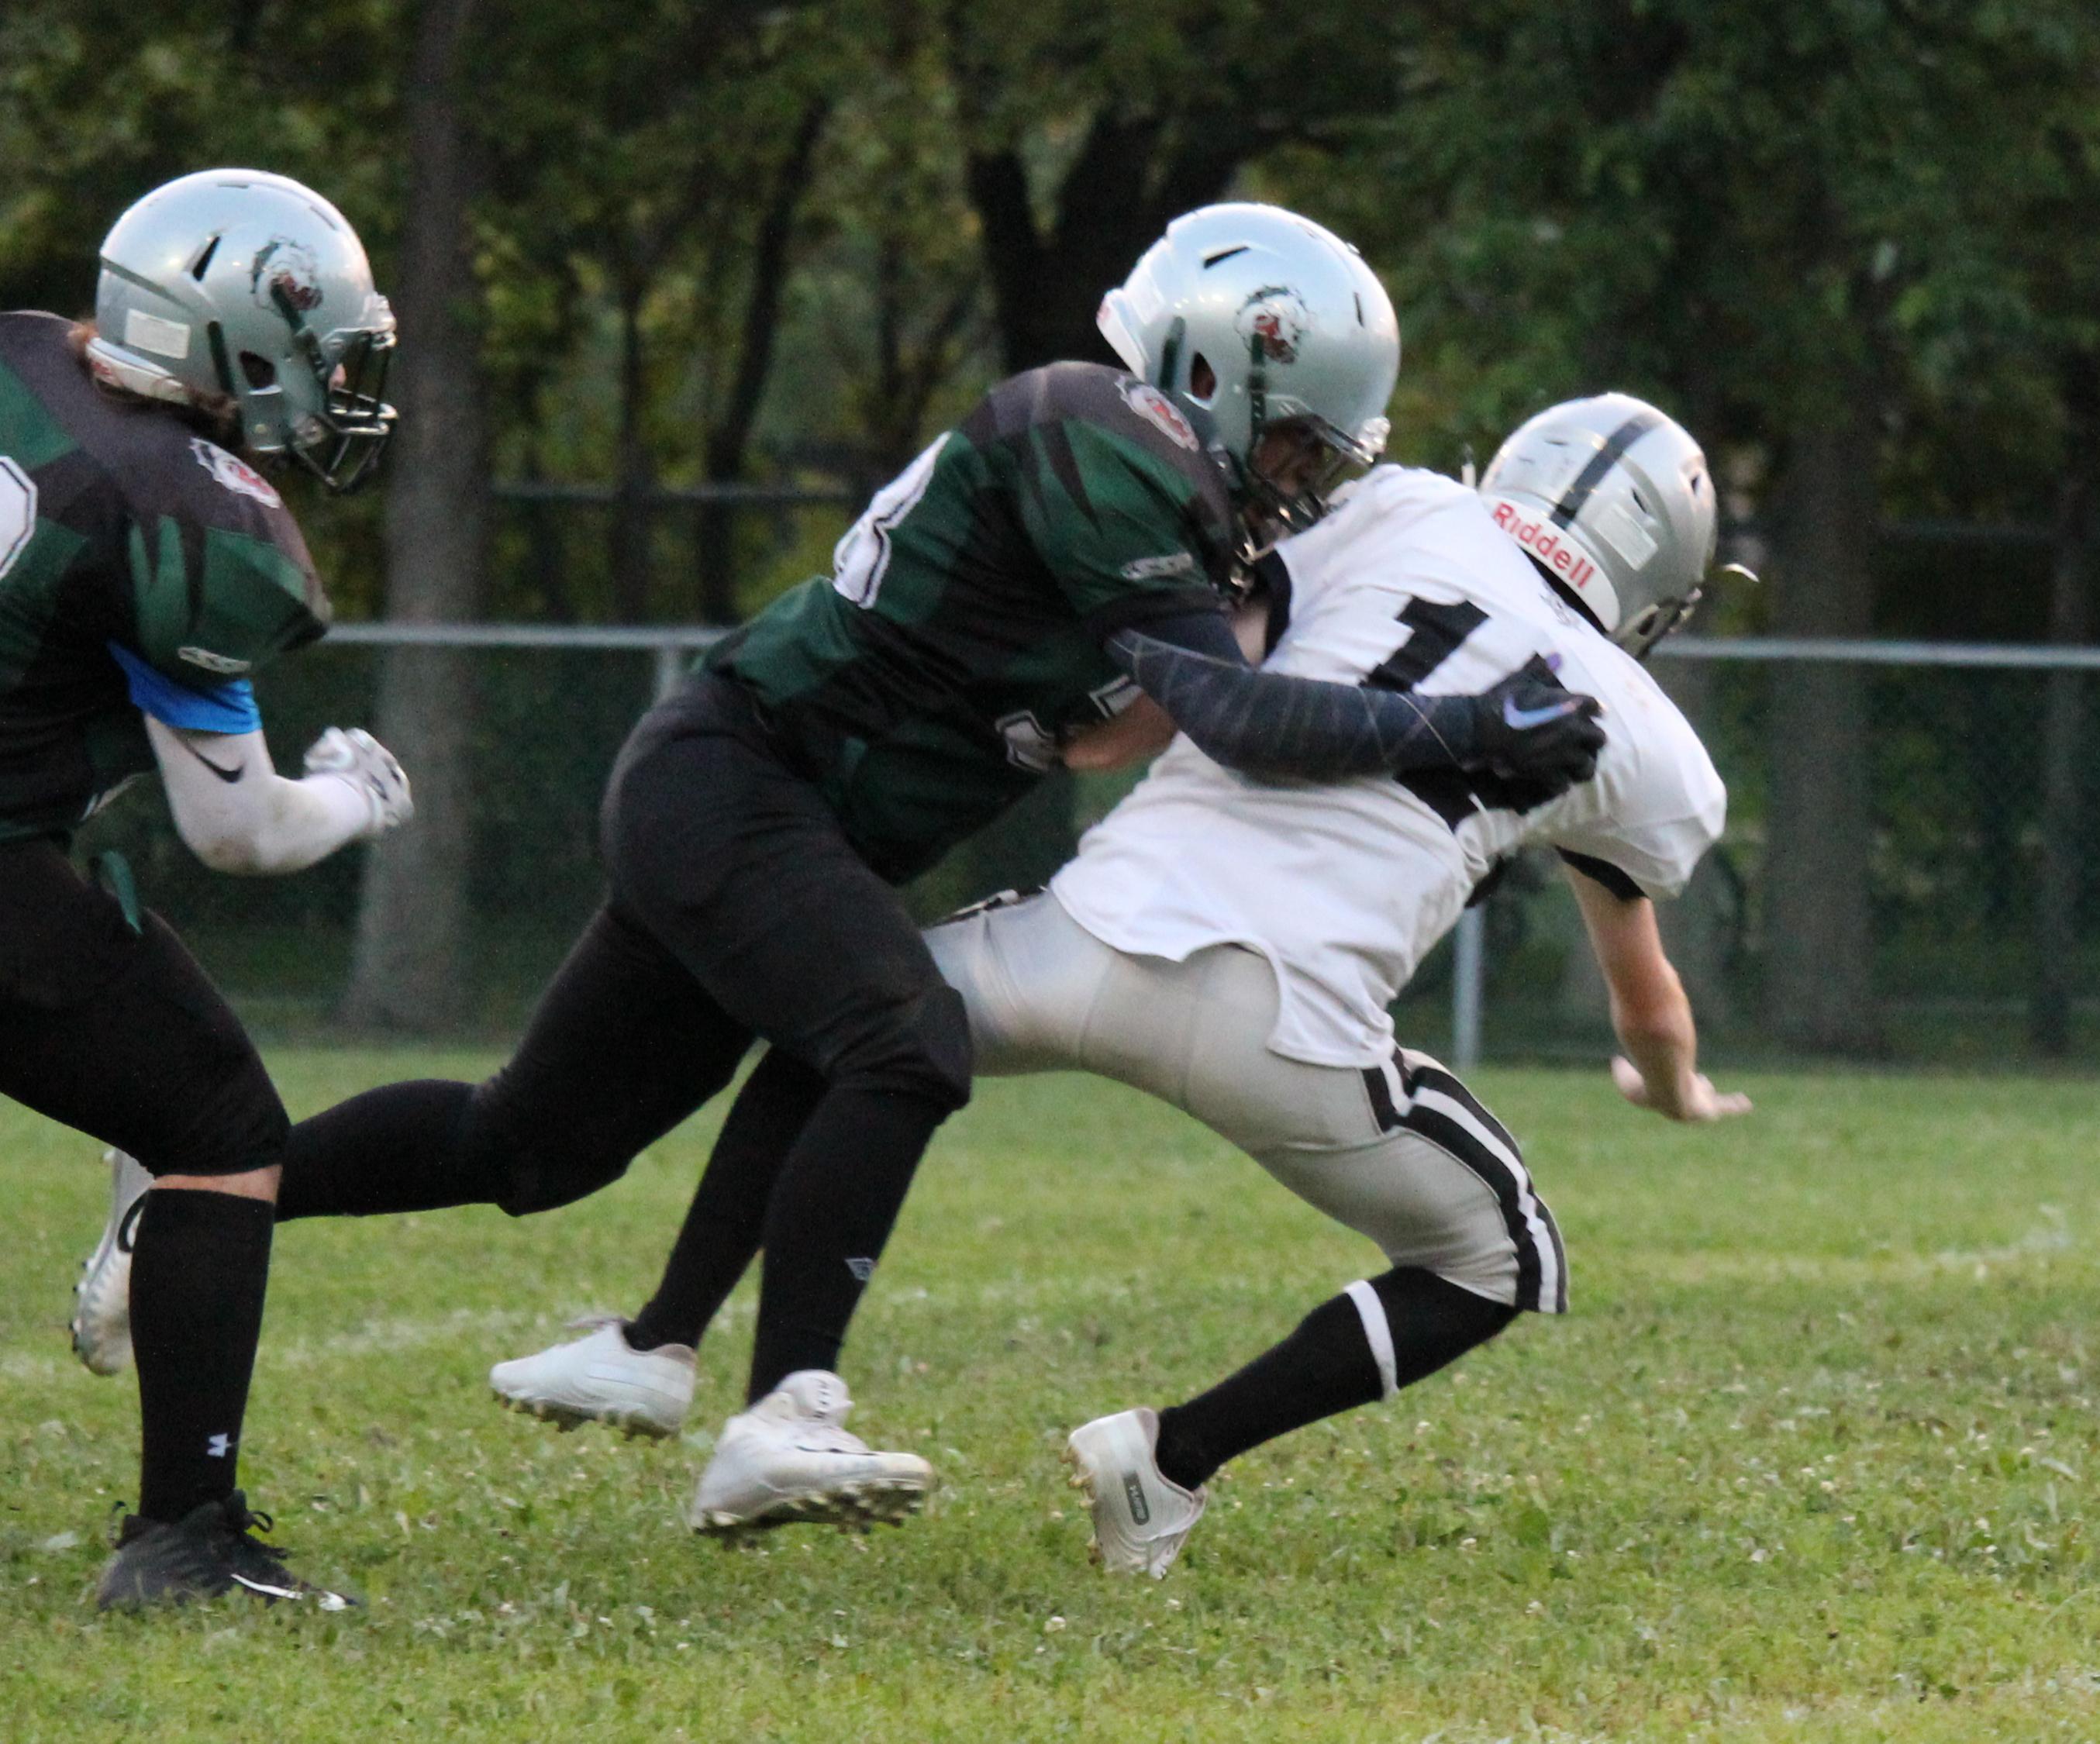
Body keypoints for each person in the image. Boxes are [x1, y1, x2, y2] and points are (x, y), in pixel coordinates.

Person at [71, 203, 1605, 1536]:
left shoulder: (1170, 501)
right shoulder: (1098, 424)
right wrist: (1463, 724)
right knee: (901, 1034)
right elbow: (1227, 720)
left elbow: (1109, 739)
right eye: (1289, 439)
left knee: (532, 1146)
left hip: (760, 803)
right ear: (1210, 372)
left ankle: (200, 1198)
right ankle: (779, 1411)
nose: (1297, 476)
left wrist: (1253, 626)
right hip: (738, 780)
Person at [484, 393, 1749, 1575]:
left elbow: (1206, 659)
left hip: (1085, 934)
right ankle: (1167, 1458)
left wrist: (1059, 742)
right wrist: (1673, 1085)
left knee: (857, 1024)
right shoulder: (1643, 736)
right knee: (1499, 1254)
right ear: (1655, 579)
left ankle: (664, 1336)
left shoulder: (1398, 506)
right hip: (1286, 1028)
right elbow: (1644, 998)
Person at [5, 168, 409, 1609]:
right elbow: (237, 831)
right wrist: (358, 796)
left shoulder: (22, 360)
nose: (336, 383)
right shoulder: (181, 507)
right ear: (233, 337)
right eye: (321, 347)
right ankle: (186, 1534)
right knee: (221, 1119)